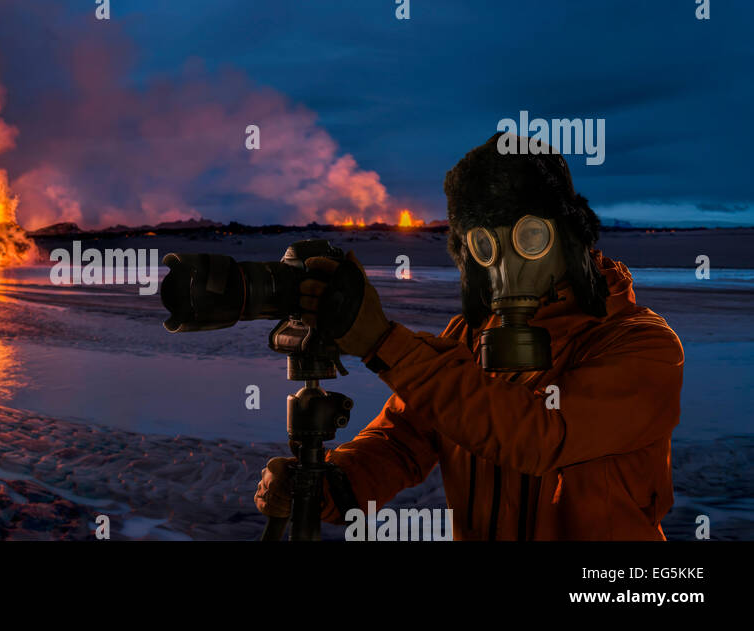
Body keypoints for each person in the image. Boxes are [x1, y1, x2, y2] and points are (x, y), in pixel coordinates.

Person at [255, 133, 684, 540]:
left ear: (569, 234)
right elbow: (403, 441)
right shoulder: (468, 338)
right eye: (485, 245)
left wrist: (382, 343)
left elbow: (541, 436)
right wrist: (328, 484)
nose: (506, 265)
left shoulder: (642, 346)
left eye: (529, 238)